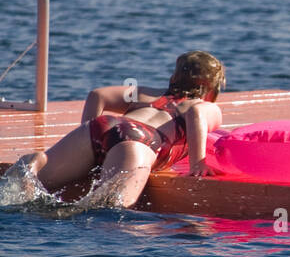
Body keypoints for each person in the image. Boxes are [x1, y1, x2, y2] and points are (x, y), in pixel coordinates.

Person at [10, 50, 225, 209]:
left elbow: (98, 95)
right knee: (111, 209)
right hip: (140, 141)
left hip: (102, 127)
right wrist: (198, 162)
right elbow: (196, 117)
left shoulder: (146, 94)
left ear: (173, 78)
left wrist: (88, 142)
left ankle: (39, 162)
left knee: (38, 185)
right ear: (211, 90)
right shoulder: (205, 106)